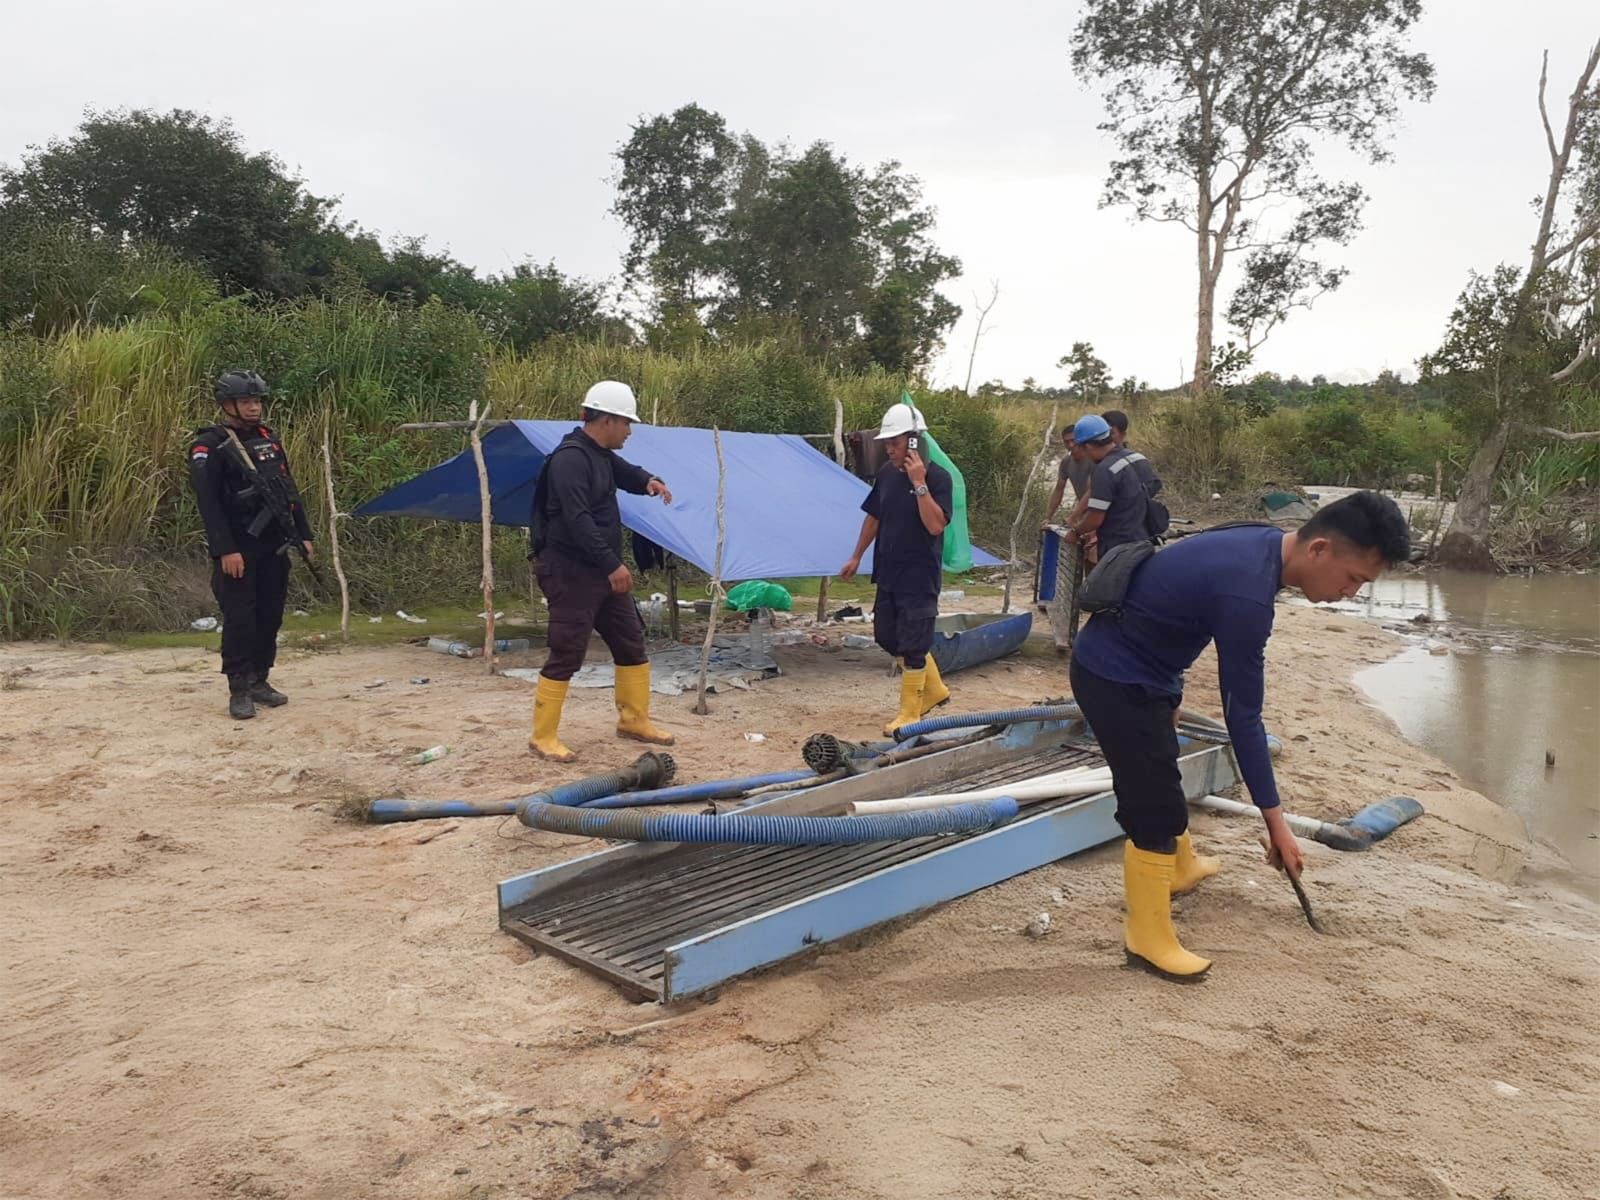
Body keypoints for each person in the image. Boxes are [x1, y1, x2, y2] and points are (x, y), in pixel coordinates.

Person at [1069, 492, 1412, 982]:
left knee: (1162, 767)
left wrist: (1169, 688)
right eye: (1353, 578)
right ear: (1318, 550)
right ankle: (1146, 940)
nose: (1350, 593)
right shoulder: (1248, 596)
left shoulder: (1261, 543)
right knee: (1152, 806)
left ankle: (1181, 869)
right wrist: (1277, 824)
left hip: (1149, 666)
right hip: (1114, 675)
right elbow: (1244, 719)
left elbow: (1179, 602)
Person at [527, 380, 675, 762]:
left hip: (600, 570)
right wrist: (613, 564)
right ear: (607, 420)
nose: (630, 431)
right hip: (570, 570)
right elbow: (578, 521)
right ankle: (543, 737)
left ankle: (633, 720)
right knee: (567, 651)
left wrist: (649, 482)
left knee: (630, 641)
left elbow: (625, 472)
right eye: (626, 423)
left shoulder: (600, 454)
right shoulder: (569, 460)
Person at [187, 370, 315, 720]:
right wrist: (225, 549)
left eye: (257, 401)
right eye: (246, 401)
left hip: (274, 543)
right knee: (241, 617)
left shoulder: (268, 440)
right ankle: (239, 687)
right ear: (228, 405)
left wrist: (303, 534)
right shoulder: (210, 446)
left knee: (269, 615)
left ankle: (260, 678)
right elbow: (209, 505)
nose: (254, 407)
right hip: (238, 547)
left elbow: (288, 490)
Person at [840, 403, 954, 735]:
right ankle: (934, 690)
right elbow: (874, 516)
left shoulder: (938, 478)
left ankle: (910, 713)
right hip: (888, 570)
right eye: (886, 443)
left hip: (919, 576)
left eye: (895, 442)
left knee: (915, 642)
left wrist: (919, 483)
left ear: (915, 442)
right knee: (887, 636)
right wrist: (856, 555)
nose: (889, 449)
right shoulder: (887, 475)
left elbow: (935, 526)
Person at [1066, 413, 1148, 559]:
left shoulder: (1104, 470)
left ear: (1088, 445)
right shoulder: (1138, 458)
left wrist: (1075, 532)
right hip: (1145, 539)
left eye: (1082, 449)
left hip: (1118, 547)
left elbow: (1095, 518)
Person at [1041, 425, 1093, 528]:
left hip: (1097, 512)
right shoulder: (1066, 462)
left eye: (1074, 440)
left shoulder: (1093, 460)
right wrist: (1048, 517)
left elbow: (1091, 492)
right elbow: (1059, 490)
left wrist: (1073, 517)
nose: (1071, 445)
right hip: (1082, 513)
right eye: (1067, 442)